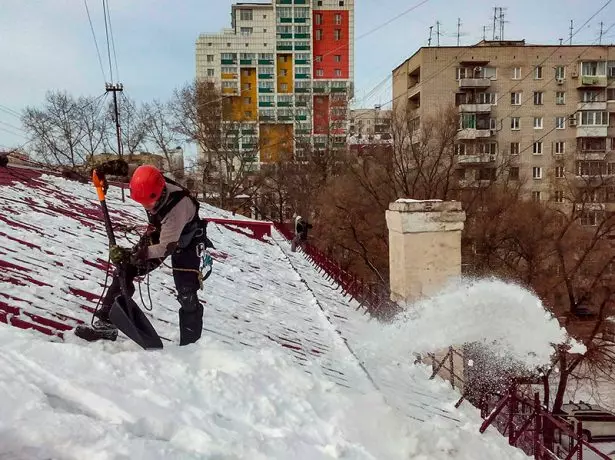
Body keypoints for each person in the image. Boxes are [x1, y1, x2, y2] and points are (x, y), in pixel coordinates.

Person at [91, 159, 208, 346]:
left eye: (150, 202)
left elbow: (164, 248)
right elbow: (131, 171)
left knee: (187, 294)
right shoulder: (150, 180)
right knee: (125, 269)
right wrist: (105, 170)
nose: (147, 207)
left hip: (186, 242)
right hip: (161, 232)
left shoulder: (177, 208)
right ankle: (106, 323)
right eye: (143, 203)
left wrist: (134, 254)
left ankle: (190, 346)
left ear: (161, 192)